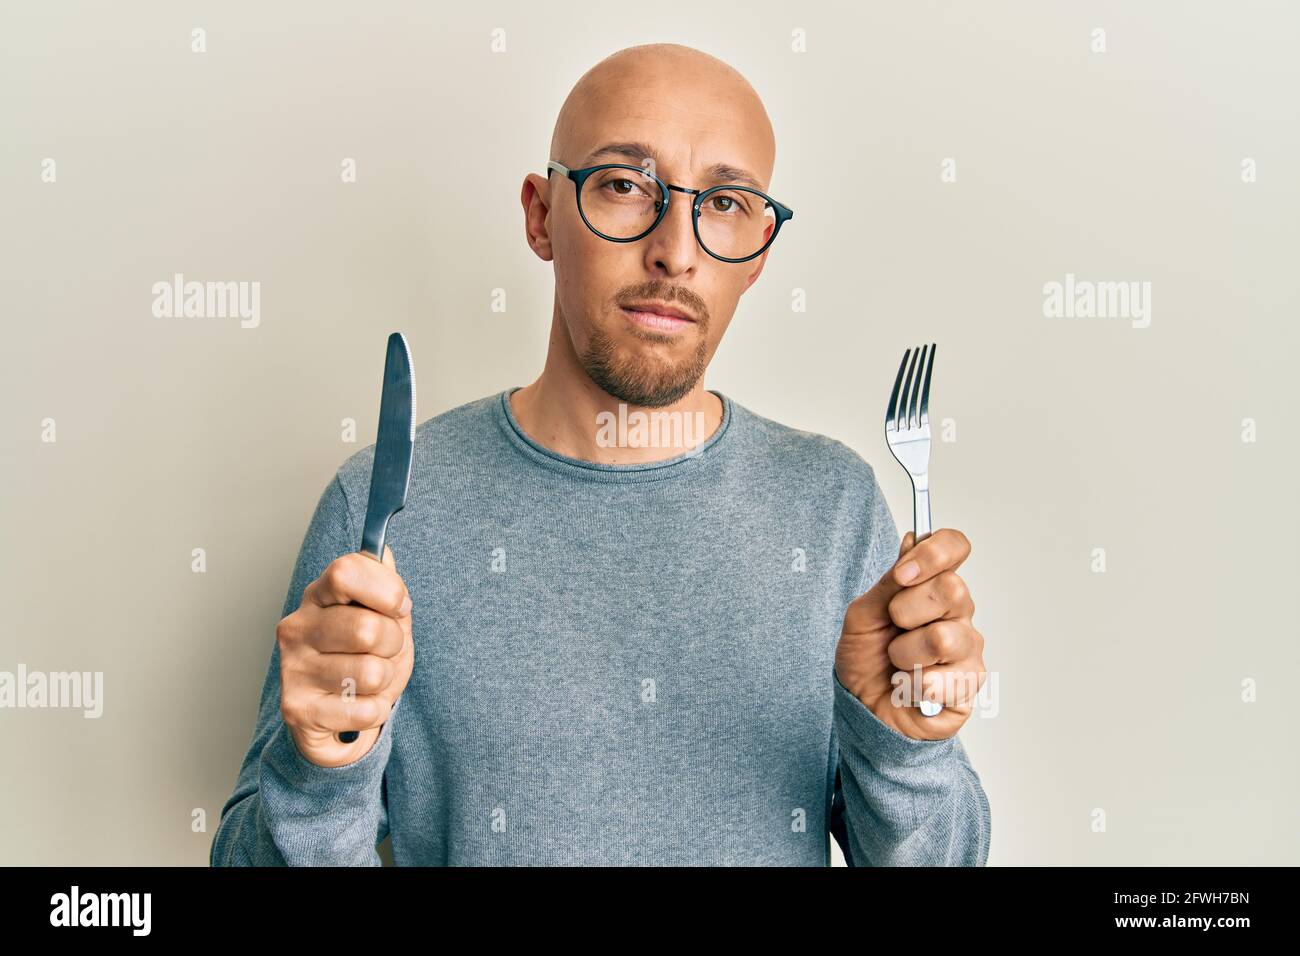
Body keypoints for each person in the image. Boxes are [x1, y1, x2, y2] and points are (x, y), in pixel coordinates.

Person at [211, 42, 990, 866]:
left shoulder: (832, 505)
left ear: (759, 255)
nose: (676, 251)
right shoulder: (387, 501)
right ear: (542, 215)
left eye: (723, 202)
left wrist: (905, 755)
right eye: (625, 185)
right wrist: (321, 769)